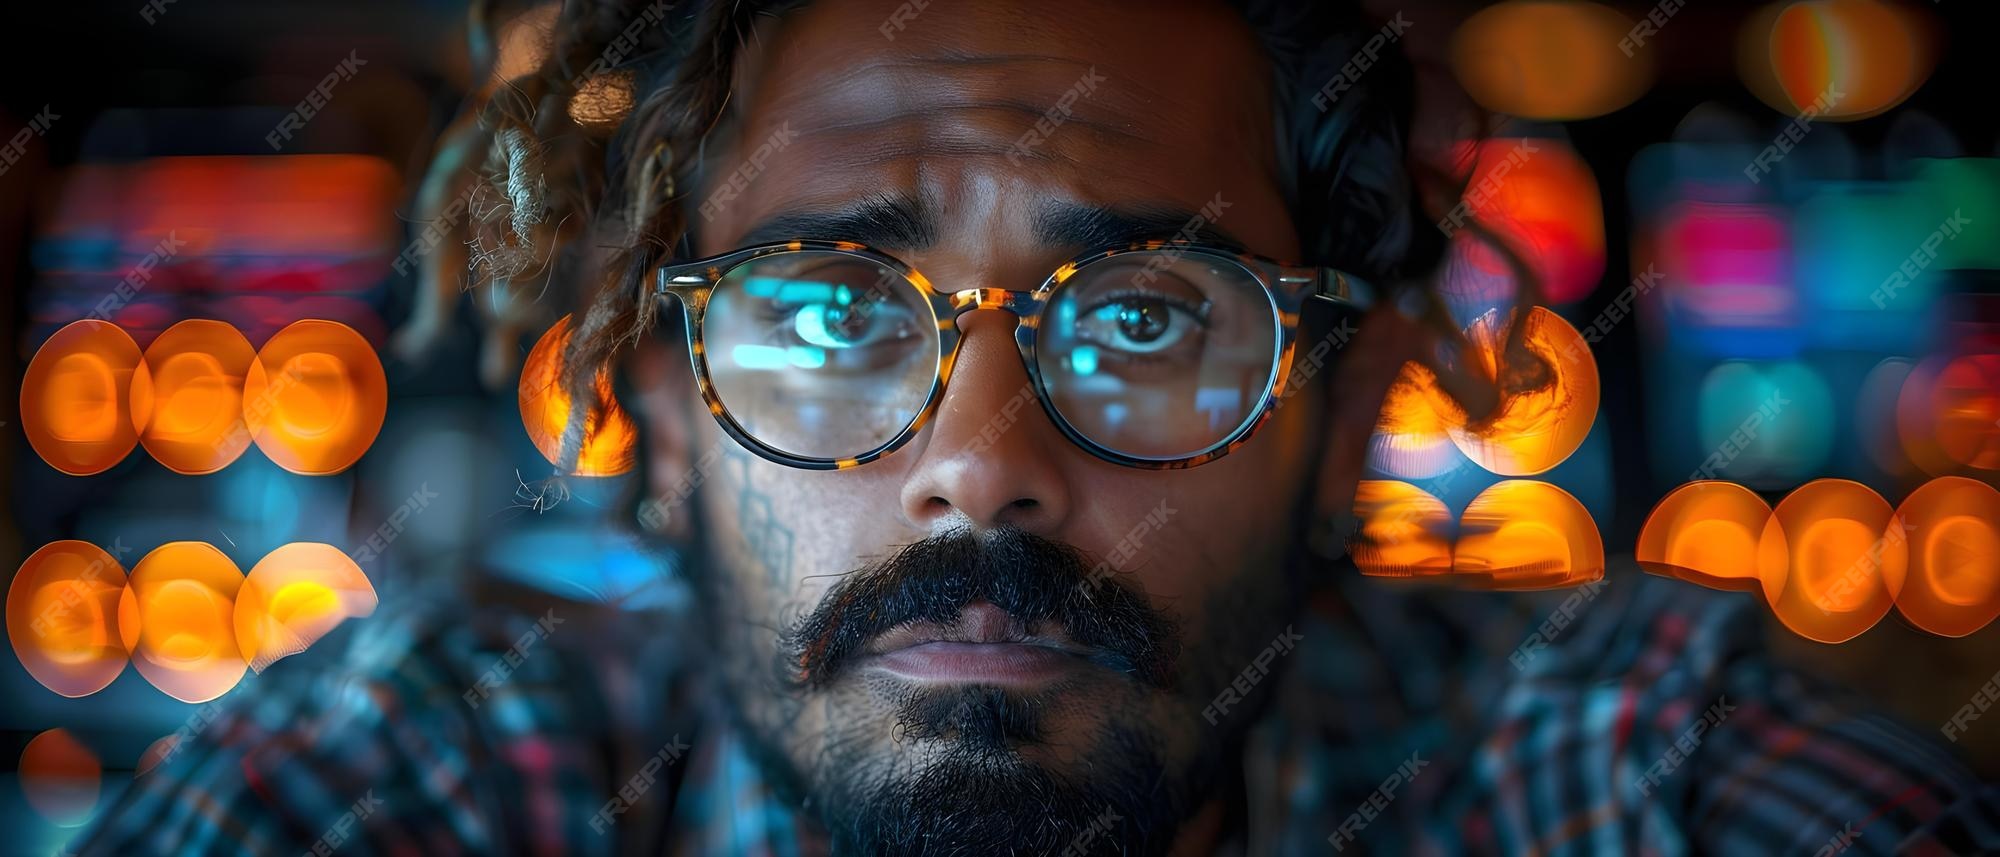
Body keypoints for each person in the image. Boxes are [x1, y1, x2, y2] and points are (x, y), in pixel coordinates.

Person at [78, 0, 1999, 854]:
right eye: (829, 309)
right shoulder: (425, 780)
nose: (980, 458)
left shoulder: (1612, 772)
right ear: (655, 411)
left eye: (1151, 316)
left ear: (1350, 425)